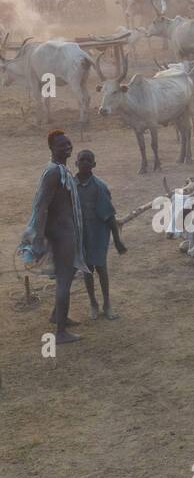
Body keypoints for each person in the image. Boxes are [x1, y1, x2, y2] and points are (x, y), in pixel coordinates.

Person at [20, 130, 87, 343]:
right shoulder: (53, 173)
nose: (67, 147)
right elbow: (41, 206)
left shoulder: (60, 169)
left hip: (66, 231)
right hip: (61, 234)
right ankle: (60, 332)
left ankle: (58, 316)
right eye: (61, 145)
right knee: (64, 280)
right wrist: (38, 238)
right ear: (52, 149)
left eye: (68, 143)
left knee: (70, 271)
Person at [74, 149, 126, 320]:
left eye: (89, 160)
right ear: (76, 163)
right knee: (87, 270)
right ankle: (93, 303)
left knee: (101, 268)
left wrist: (117, 240)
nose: (85, 163)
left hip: (98, 234)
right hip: (81, 235)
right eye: (82, 160)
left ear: (94, 165)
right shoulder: (71, 186)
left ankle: (107, 303)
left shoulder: (99, 187)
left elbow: (109, 216)